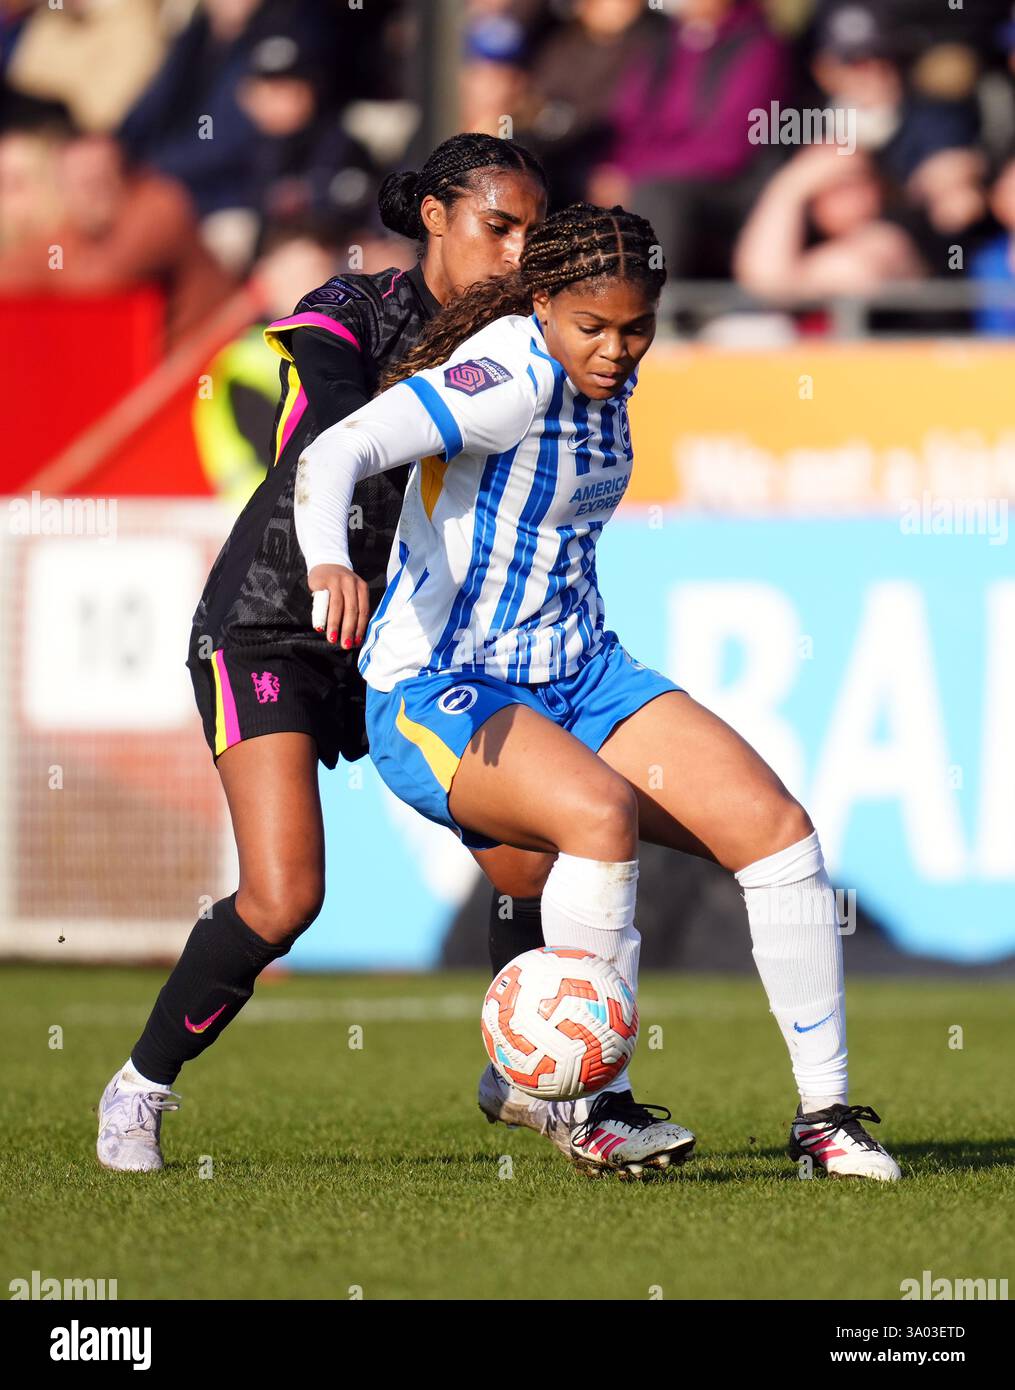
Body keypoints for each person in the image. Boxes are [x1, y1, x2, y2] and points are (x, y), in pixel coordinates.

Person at [294, 202, 902, 1182]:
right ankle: (593, 1108)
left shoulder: (599, 371)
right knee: (598, 815)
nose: (618, 349)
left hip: (582, 675)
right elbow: (339, 451)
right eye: (594, 327)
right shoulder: (505, 379)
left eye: (637, 327)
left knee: (779, 833)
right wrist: (329, 563)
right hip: (441, 689)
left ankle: (825, 1119)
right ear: (542, 307)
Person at [95, 133, 551, 1174]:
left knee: (527, 857)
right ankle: (138, 1087)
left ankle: (523, 1072)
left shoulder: (531, 340)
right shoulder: (351, 309)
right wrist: (332, 549)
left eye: (533, 231)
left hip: (414, 634)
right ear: (435, 217)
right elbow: (339, 425)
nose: (520, 251)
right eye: (500, 225)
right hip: (275, 618)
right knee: (285, 896)